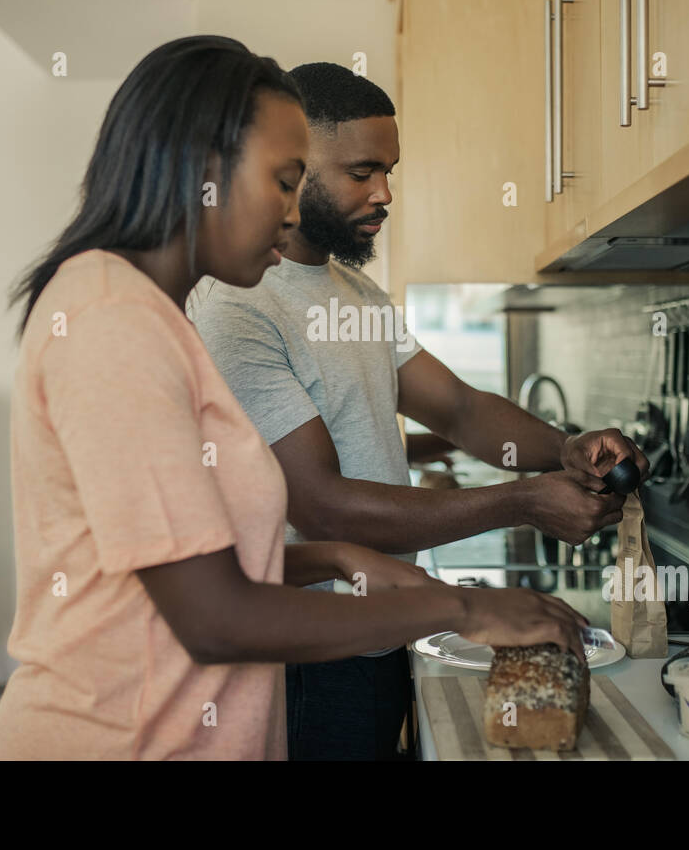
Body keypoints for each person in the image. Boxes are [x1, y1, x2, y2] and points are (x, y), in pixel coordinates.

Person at [0, 36, 591, 761]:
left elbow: (198, 560)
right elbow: (213, 615)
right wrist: (461, 605)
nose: (290, 208)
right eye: (281, 179)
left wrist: (335, 557)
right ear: (204, 170)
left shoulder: (152, 318)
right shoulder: (113, 323)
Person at [193, 63, 647, 761]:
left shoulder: (358, 292)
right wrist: (524, 501)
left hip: (379, 630)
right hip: (309, 652)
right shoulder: (240, 304)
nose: (385, 193)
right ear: (297, 164)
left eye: (390, 171)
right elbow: (324, 508)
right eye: (363, 171)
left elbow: (461, 409)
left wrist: (566, 449)